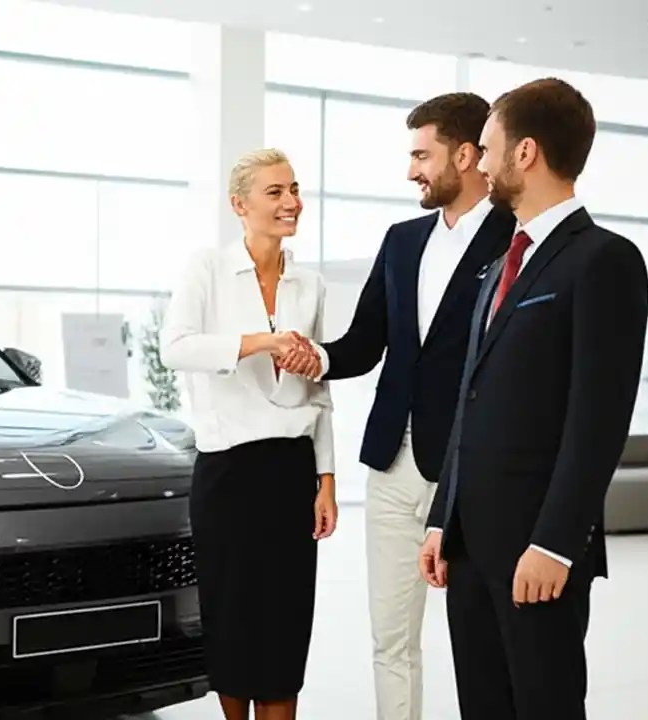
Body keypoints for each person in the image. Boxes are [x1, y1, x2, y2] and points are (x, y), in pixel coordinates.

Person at [418, 78, 648, 720]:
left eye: (488, 148)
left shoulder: (604, 260)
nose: (481, 164)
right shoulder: (497, 266)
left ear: (525, 153)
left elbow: (598, 420)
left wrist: (556, 543)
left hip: (537, 550)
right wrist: (443, 516)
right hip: (470, 546)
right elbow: (472, 399)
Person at [279, 91, 514, 720]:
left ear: (465, 155)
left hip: (467, 470)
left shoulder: (514, 239)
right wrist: (317, 356)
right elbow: (365, 341)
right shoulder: (402, 239)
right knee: (391, 639)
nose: (411, 170)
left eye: (421, 154)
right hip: (390, 463)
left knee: (479, 642)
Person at [160, 148, 338, 720]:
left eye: (294, 190)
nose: (291, 203)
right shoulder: (206, 270)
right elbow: (175, 348)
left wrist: (327, 478)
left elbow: (319, 391)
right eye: (275, 192)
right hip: (227, 473)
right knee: (233, 622)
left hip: (291, 472)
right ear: (239, 205)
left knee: (285, 626)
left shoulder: (311, 285)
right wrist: (258, 342)